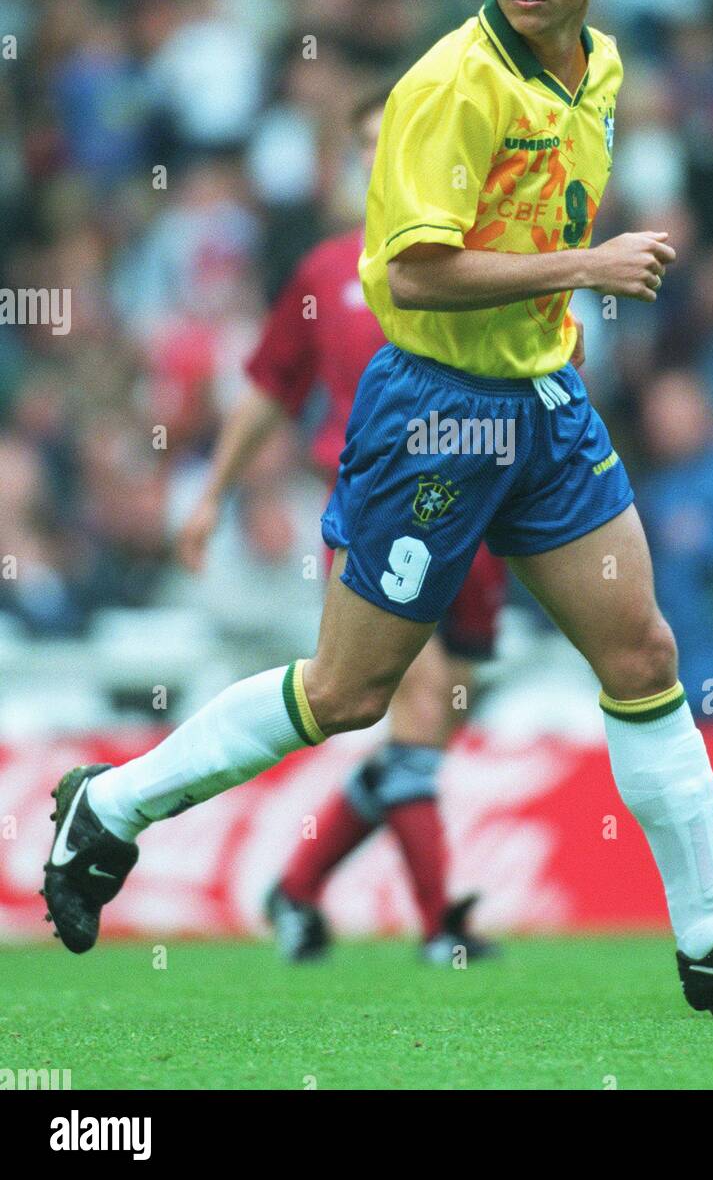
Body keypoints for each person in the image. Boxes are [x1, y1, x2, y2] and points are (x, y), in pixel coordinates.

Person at [44, 0, 713, 1014]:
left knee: (644, 656)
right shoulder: (449, 84)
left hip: (542, 403)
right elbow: (416, 272)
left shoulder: (604, 69)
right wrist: (584, 269)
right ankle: (108, 807)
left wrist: (556, 322)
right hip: (433, 409)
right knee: (346, 692)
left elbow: (540, 208)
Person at [177, 90, 503, 963]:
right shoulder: (329, 273)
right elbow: (271, 388)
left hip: (476, 521)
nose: (383, 157)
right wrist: (212, 493)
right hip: (374, 512)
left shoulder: (473, 263)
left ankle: (296, 890)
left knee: (426, 728)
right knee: (421, 701)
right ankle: (441, 932)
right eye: (369, 144)